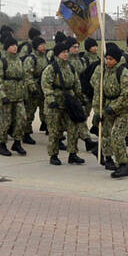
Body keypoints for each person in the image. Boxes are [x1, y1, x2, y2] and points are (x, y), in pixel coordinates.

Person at [40, 35, 84, 165]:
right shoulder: (51, 69)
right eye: (63, 52)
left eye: (66, 52)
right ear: (57, 54)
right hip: (55, 105)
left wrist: (80, 98)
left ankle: (73, 153)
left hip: (68, 103)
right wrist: (50, 99)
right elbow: (46, 85)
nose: (66, 54)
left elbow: (76, 84)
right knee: (55, 131)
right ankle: (53, 155)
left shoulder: (70, 67)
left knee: (73, 129)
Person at [94, 43, 128, 179]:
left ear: (117, 60)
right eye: (107, 59)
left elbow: (127, 95)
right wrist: (98, 112)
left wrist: (114, 107)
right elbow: (98, 94)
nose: (108, 61)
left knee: (117, 136)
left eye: (111, 59)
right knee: (107, 135)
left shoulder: (123, 73)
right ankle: (108, 158)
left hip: (124, 110)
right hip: (108, 108)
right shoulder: (103, 73)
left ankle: (123, 164)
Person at [0, 33, 29, 156]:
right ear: (7, 47)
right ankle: (2, 144)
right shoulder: (1, 63)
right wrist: (3, 95)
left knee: (22, 119)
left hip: (18, 96)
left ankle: (17, 142)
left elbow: (24, 79)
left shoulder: (19, 61)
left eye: (15, 45)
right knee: (5, 122)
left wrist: (25, 95)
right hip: (5, 97)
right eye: (12, 45)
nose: (15, 47)